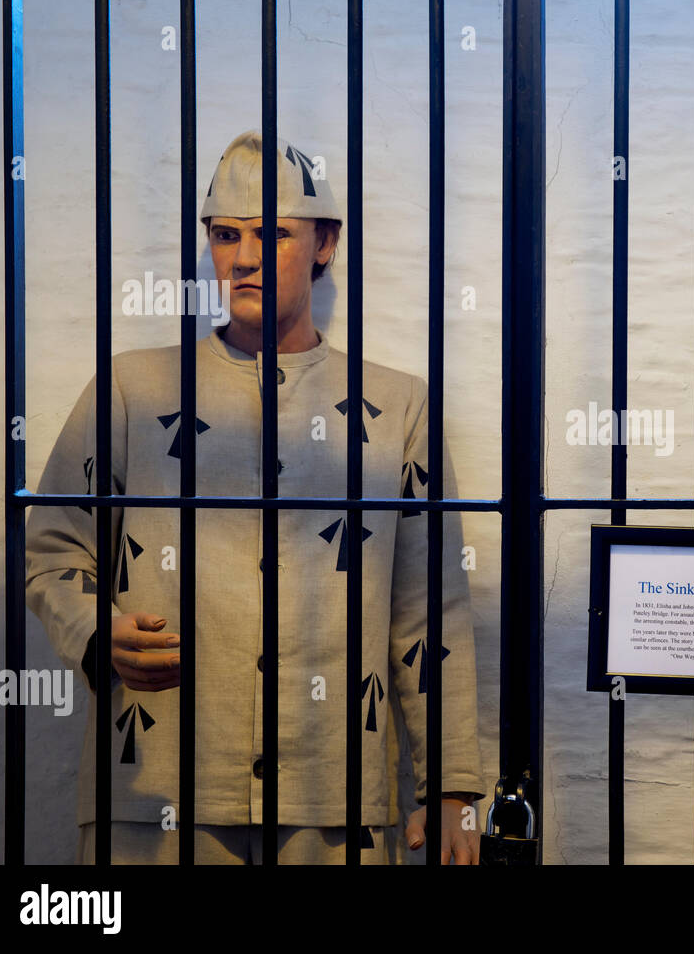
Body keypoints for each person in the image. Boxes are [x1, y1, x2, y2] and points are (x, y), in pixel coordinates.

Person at [25, 130, 485, 864]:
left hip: (337, 806)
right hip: (155, 793)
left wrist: (451, 785)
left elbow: (429, 610)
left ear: (325, 241)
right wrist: (94, 626)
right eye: (225, 234)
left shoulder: (397, 407)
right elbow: (52, 544)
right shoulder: (131, 390)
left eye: (272, 233)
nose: (242, 258)